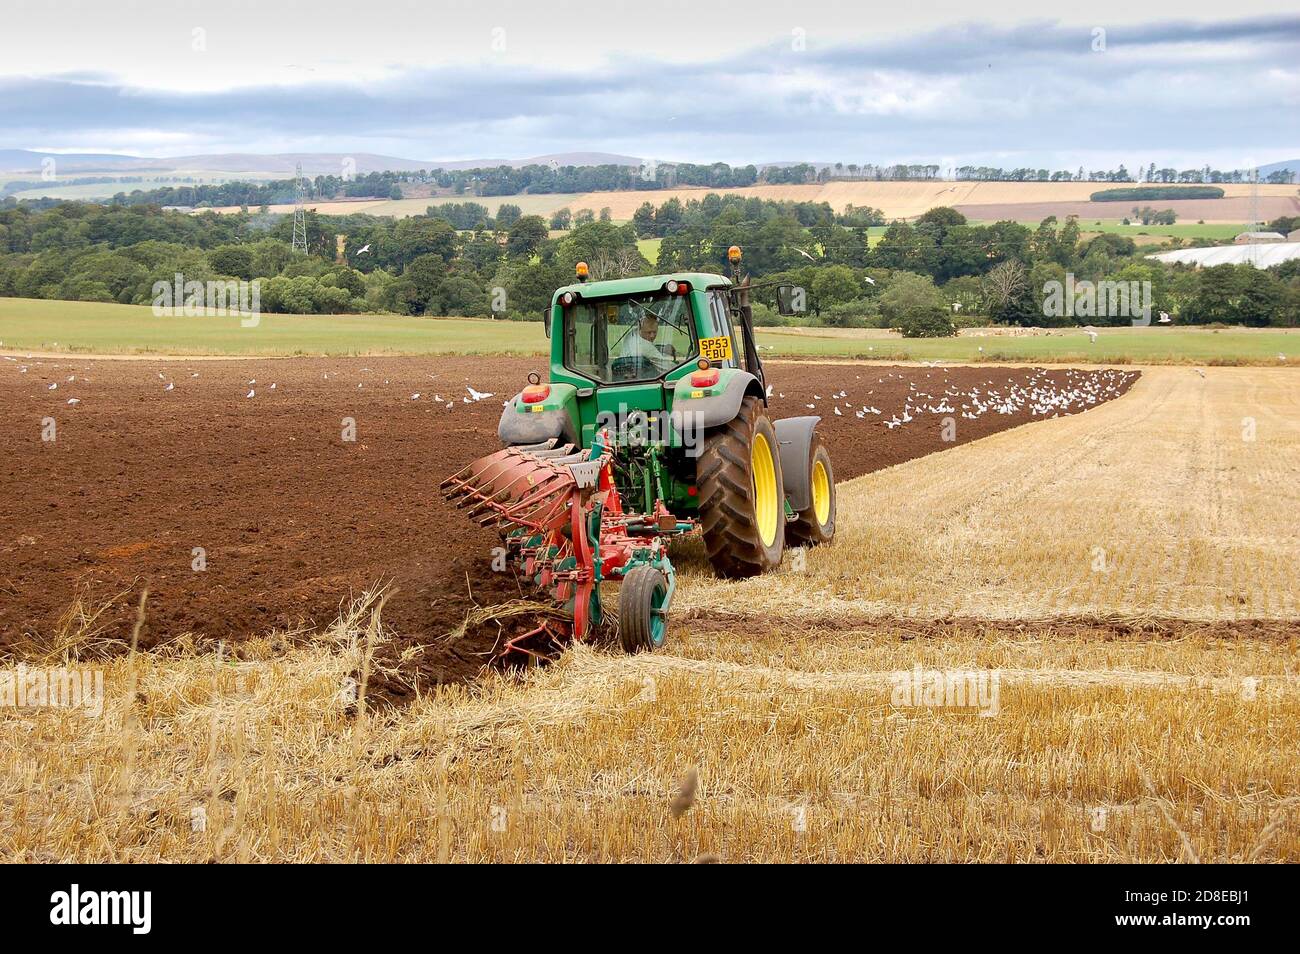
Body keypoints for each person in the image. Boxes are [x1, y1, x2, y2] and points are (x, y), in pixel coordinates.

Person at [615, 309, 674, 374]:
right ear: (640, 328)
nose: (652, 336)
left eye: (654, 332)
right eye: (648, 332)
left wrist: (661, 348)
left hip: (621, 372)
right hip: (638, 377)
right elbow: (668, 369)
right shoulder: (647, 347)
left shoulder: (632, 334)